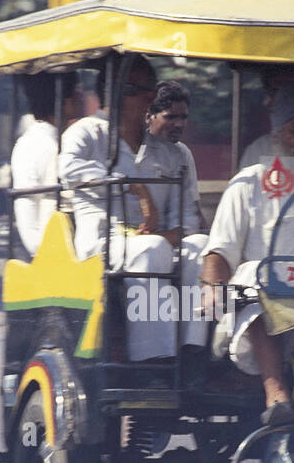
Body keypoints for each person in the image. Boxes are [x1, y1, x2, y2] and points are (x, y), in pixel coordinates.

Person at [202, 83, 294, 424]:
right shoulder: (248, 184)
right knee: (254, 273)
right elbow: (218, 254)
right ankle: (275, 393)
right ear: (278, 136)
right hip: (268, 314)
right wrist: (212, 289)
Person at [57, 59, 207, 361]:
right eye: (136, 91)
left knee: (203, 249)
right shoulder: (86, 134)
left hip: (157, 243)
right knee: (152, 249)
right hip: (101, 246)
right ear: (112, 94)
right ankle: (153, 360)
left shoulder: (170, 152)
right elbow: (69, 172)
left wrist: (168, 235)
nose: (147, 99)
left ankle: (195, 354)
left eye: (149, 91)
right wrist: (131, 186)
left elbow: (188, 222)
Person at [11, 71, 80, 256]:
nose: (80, 96)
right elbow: (28, 203)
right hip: (54, 250)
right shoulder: (51, 146)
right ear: (65, 102)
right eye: (75, 92)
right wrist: (42, 250)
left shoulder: (31, 140)